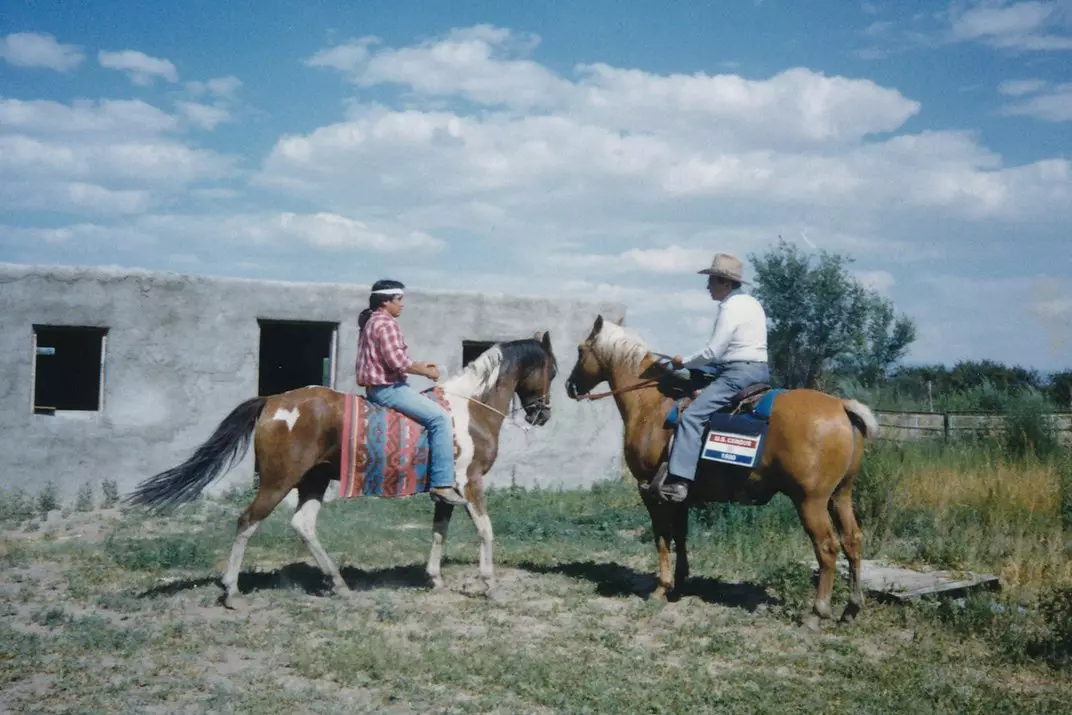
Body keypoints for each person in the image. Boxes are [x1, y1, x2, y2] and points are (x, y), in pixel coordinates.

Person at [657, 253, 770, 503]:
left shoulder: (730, 307)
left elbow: (712, 352)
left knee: (693, 416)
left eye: (712, 281)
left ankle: (680, 481)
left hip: (737, 373)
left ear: (726, 284)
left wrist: (682, 362)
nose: (708, 286)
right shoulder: (753, 304)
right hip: (759, 369)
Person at [355, 279, 468, 506]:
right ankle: (443, 484)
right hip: (389, 390)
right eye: (399, 299)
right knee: (440, 418)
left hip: (380, 388)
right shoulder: (386, 324)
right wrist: (427, 372)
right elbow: (397, 361)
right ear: (386, 302)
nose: (402, 304)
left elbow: (393, 359)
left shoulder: (373, 321)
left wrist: (420, 364)